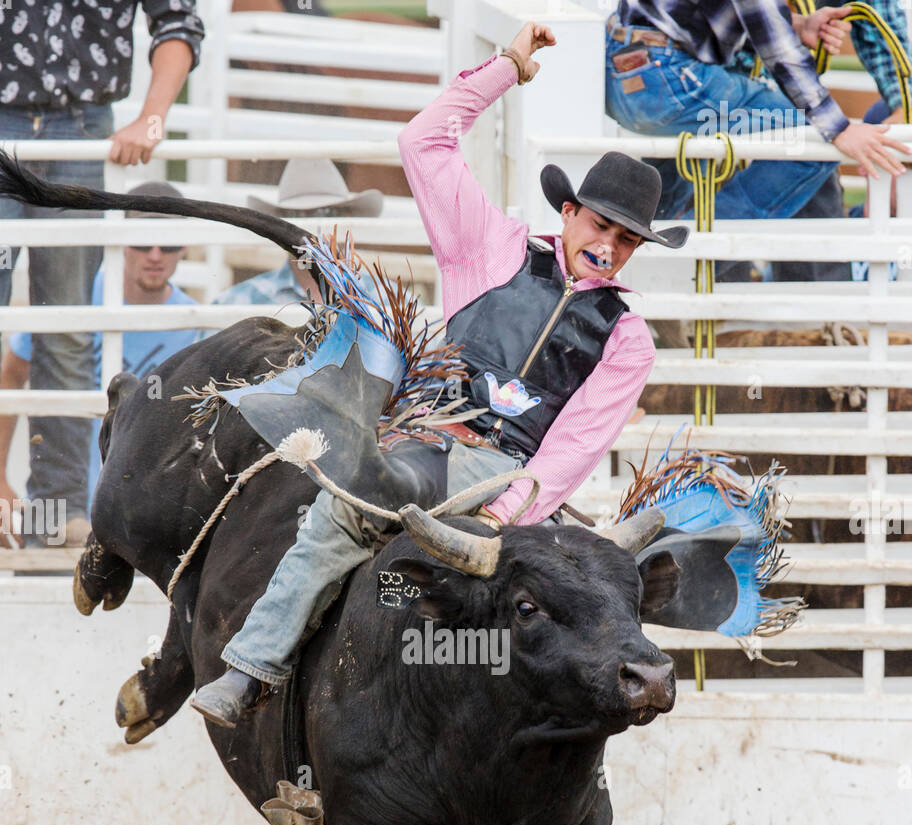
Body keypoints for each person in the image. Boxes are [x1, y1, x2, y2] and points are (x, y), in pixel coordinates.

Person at [191, 21, 688, 726]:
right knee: (345, 511)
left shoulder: (628, 339)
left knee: (578, 601)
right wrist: (506, 67)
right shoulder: (492, 246)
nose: (607, 246)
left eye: (626, 239)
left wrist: (499, 515)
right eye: (600, 226)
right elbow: (421, 143)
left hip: (504, 476)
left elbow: (571, 449)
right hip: (426, 440)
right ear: (569, 213)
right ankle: (253, 668)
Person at [0, 1, 205, 546]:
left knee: (69, 325)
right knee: (64, 325)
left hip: (82, 123)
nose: (155, 253)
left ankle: (60, 509)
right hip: (23, 117)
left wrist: (153, 116)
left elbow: (178, 20)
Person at [601, 2, 907, 283]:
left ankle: (641, 265)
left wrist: (797, 26)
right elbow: (778, 46)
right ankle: (675, 264)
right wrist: (839, 128)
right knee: (813, 141)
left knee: (680, 162)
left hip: (631, 70)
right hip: (671, 75)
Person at [0, 182, 198, 544]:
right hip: (58, 502)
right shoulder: (74, 302)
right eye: (141, 239)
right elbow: (9, 378)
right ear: (122, 239)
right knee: (33, 587)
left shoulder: (195, 324)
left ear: (184, 245)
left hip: (142, 516)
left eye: (168, 241)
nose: (155, 254)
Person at [197, 158, 383, 336]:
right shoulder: (232, 304)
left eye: (328, 213)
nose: (314, 228)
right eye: (298, 215)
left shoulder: (236, 304)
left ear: (348, 220)